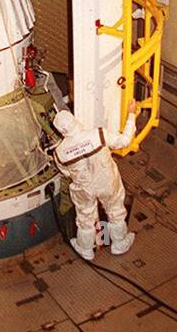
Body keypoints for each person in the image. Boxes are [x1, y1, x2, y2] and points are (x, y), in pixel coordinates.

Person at [52, 100, 138, 260]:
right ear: (74, 120)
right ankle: (119, 244)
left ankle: (85, 249)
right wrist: (131, 115)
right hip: (107, 183)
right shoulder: (98, 134)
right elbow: (124, 141)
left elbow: (66, 172)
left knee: (85, 217)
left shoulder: (59, 152)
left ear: (60, 130)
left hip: (84, 189)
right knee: (115, 211)